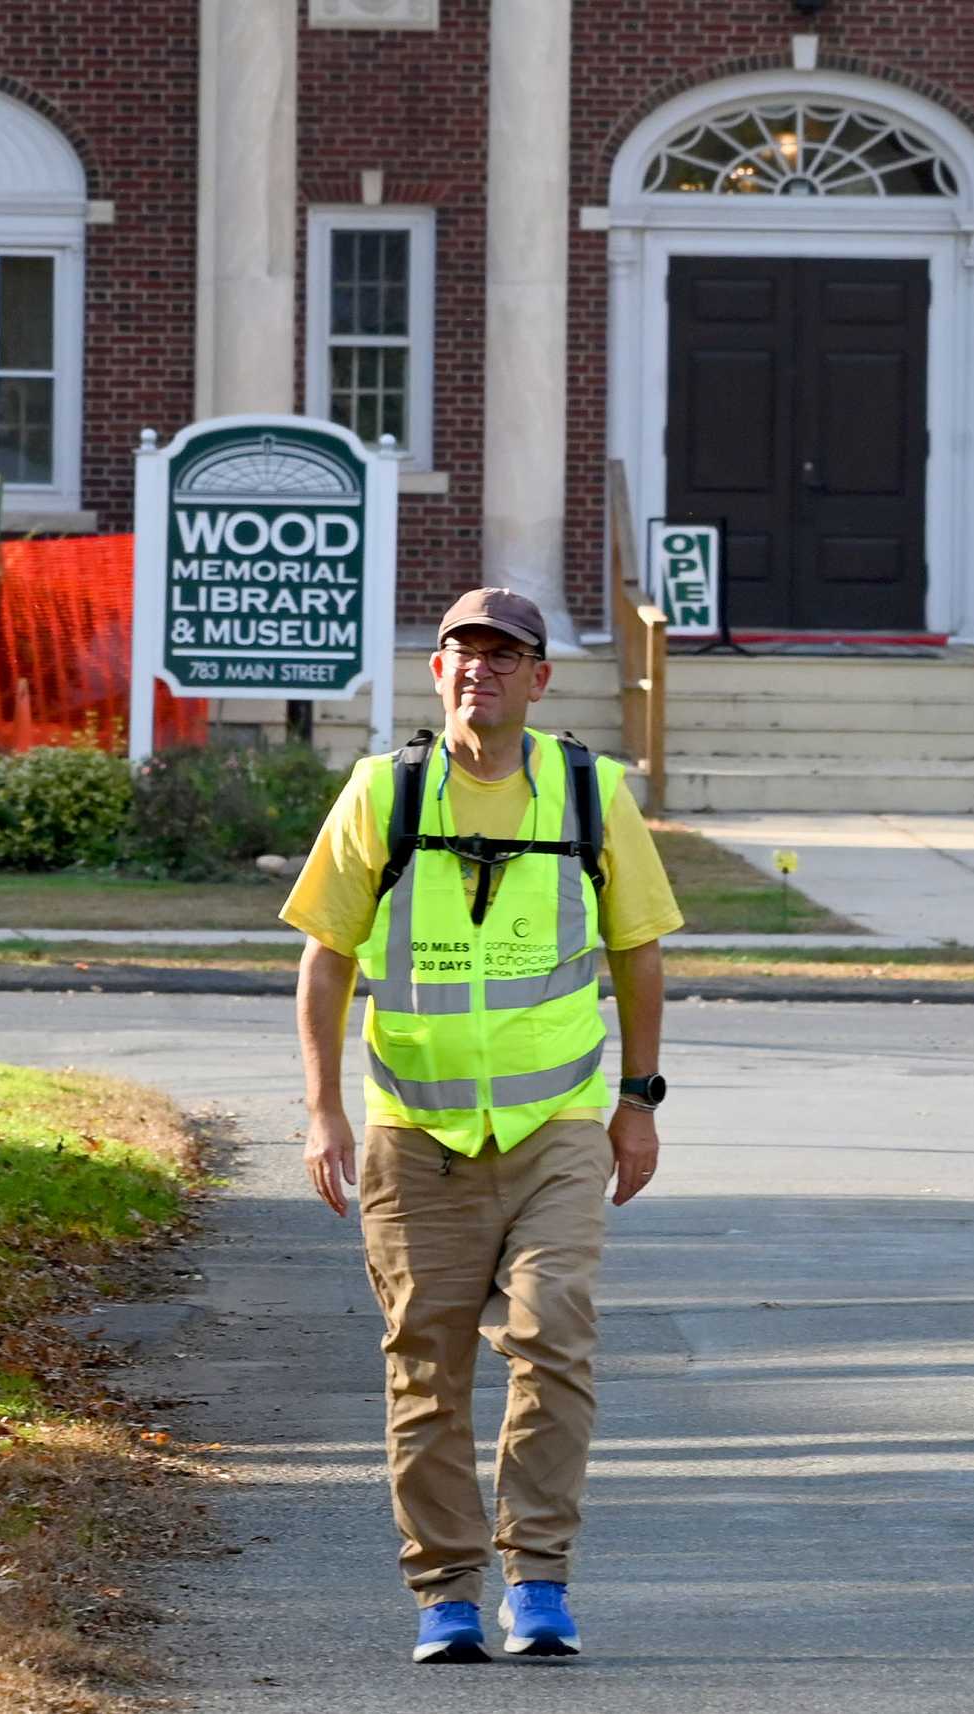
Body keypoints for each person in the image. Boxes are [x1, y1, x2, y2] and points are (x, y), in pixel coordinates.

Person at [281, 587, 682, 1665]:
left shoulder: (589, 792)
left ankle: (539, 1576)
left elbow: (638, 949)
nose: (482, 672)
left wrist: (636, 1104)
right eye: (464, 653)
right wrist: (323, 1113)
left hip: (554, 1126)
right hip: (415, 1131)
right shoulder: (383, 793)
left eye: (505, 657)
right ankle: (446, 1593)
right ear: (436, 670)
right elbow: (325, 958)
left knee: (553, 1333)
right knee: (428, 1364)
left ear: (540, 679)